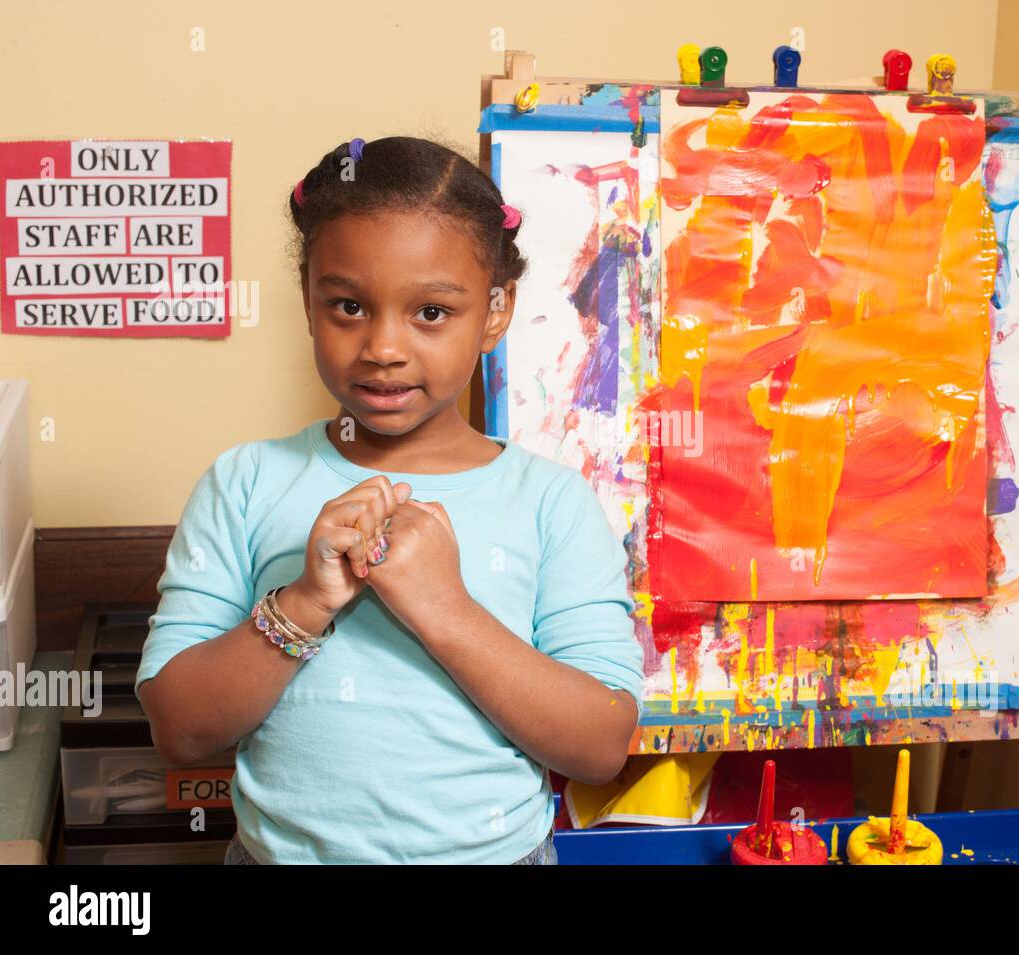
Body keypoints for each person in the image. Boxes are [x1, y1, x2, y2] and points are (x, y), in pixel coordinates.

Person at [135, 136, 644, 864]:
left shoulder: (552, 502)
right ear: (308, 302)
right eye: (348, 305)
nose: (382, 346)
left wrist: (445, 608)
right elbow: (179, 731)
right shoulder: (244, 481)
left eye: (431, 312)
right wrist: (304, 601)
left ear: (495, 313)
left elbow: (601, 745)